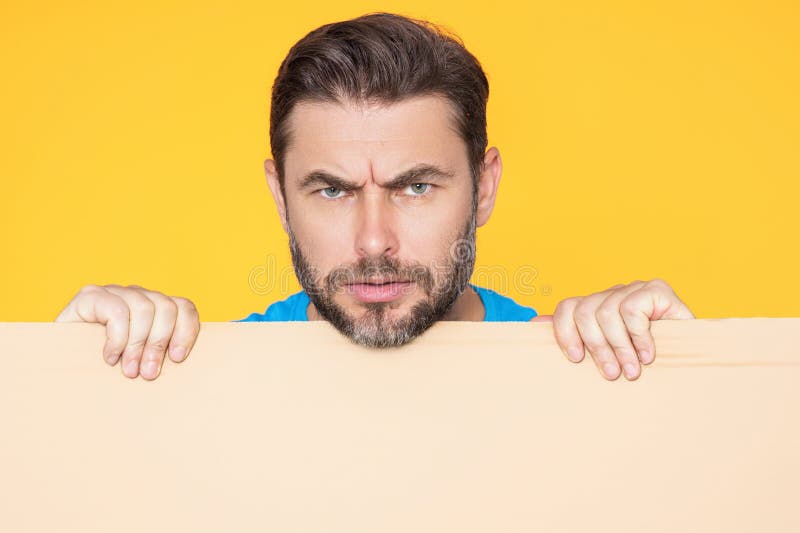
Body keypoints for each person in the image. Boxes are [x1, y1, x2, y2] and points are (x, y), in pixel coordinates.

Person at [55, 12, 694, 382]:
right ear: (280, 196)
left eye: (415, 187)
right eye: (332, 190)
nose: (373, 241)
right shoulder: (202, 374)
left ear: (485, 187)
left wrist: (687, 380)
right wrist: (60, 377)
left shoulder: (578, 370)